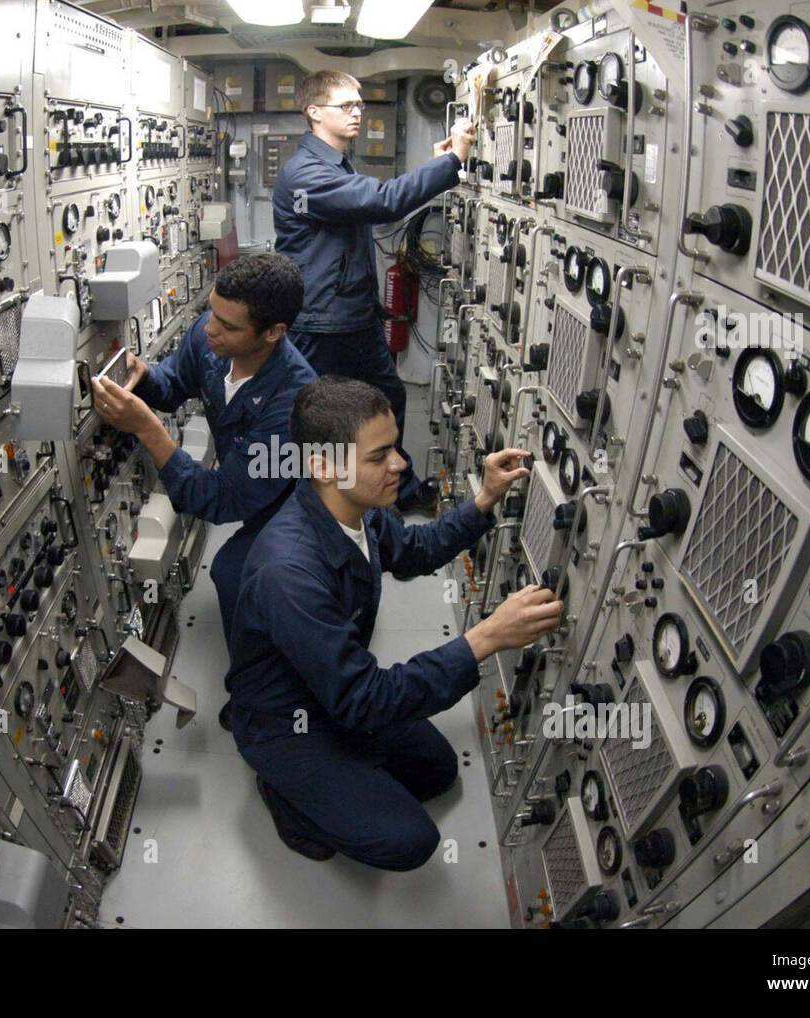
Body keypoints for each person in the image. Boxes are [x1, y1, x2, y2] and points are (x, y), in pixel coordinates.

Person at [226, 377, 564, 870]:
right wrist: (486, 637)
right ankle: (285, 795)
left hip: (332, 691)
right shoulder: (288, 572)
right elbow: (365, 699)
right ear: (323, 465)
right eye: (378, 456)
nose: (401, 465)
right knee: (408, 841)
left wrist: (484, 500)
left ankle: (339, 778)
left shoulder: (354, 508)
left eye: (396, 448)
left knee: (437, 770)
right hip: (286, 719)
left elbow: (414, 551)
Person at [92, 253, 316, 729]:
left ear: (273, 332)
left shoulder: (292, 403)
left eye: (228, 325)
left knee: (237, 571)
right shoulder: (210, 337)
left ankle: (261, 692)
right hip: (252, 483)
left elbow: (219, 500)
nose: (210, 330)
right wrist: (144, 377)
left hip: (298, 500)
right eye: (212, 312)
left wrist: (150, 431)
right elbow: (176, 382)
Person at [273, 70, 476, 518]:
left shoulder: (335, 165)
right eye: (346, 105)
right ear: (314, 112)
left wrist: (438, 166)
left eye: (359, 104)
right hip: (321, 321)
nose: (357, 112)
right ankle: (308, 509)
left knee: (388, 398)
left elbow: (372, 199)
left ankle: (391, 493)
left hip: (353, 316)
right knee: (313, 419)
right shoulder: (306, 173)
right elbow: (383, 201)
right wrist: (451, 163)